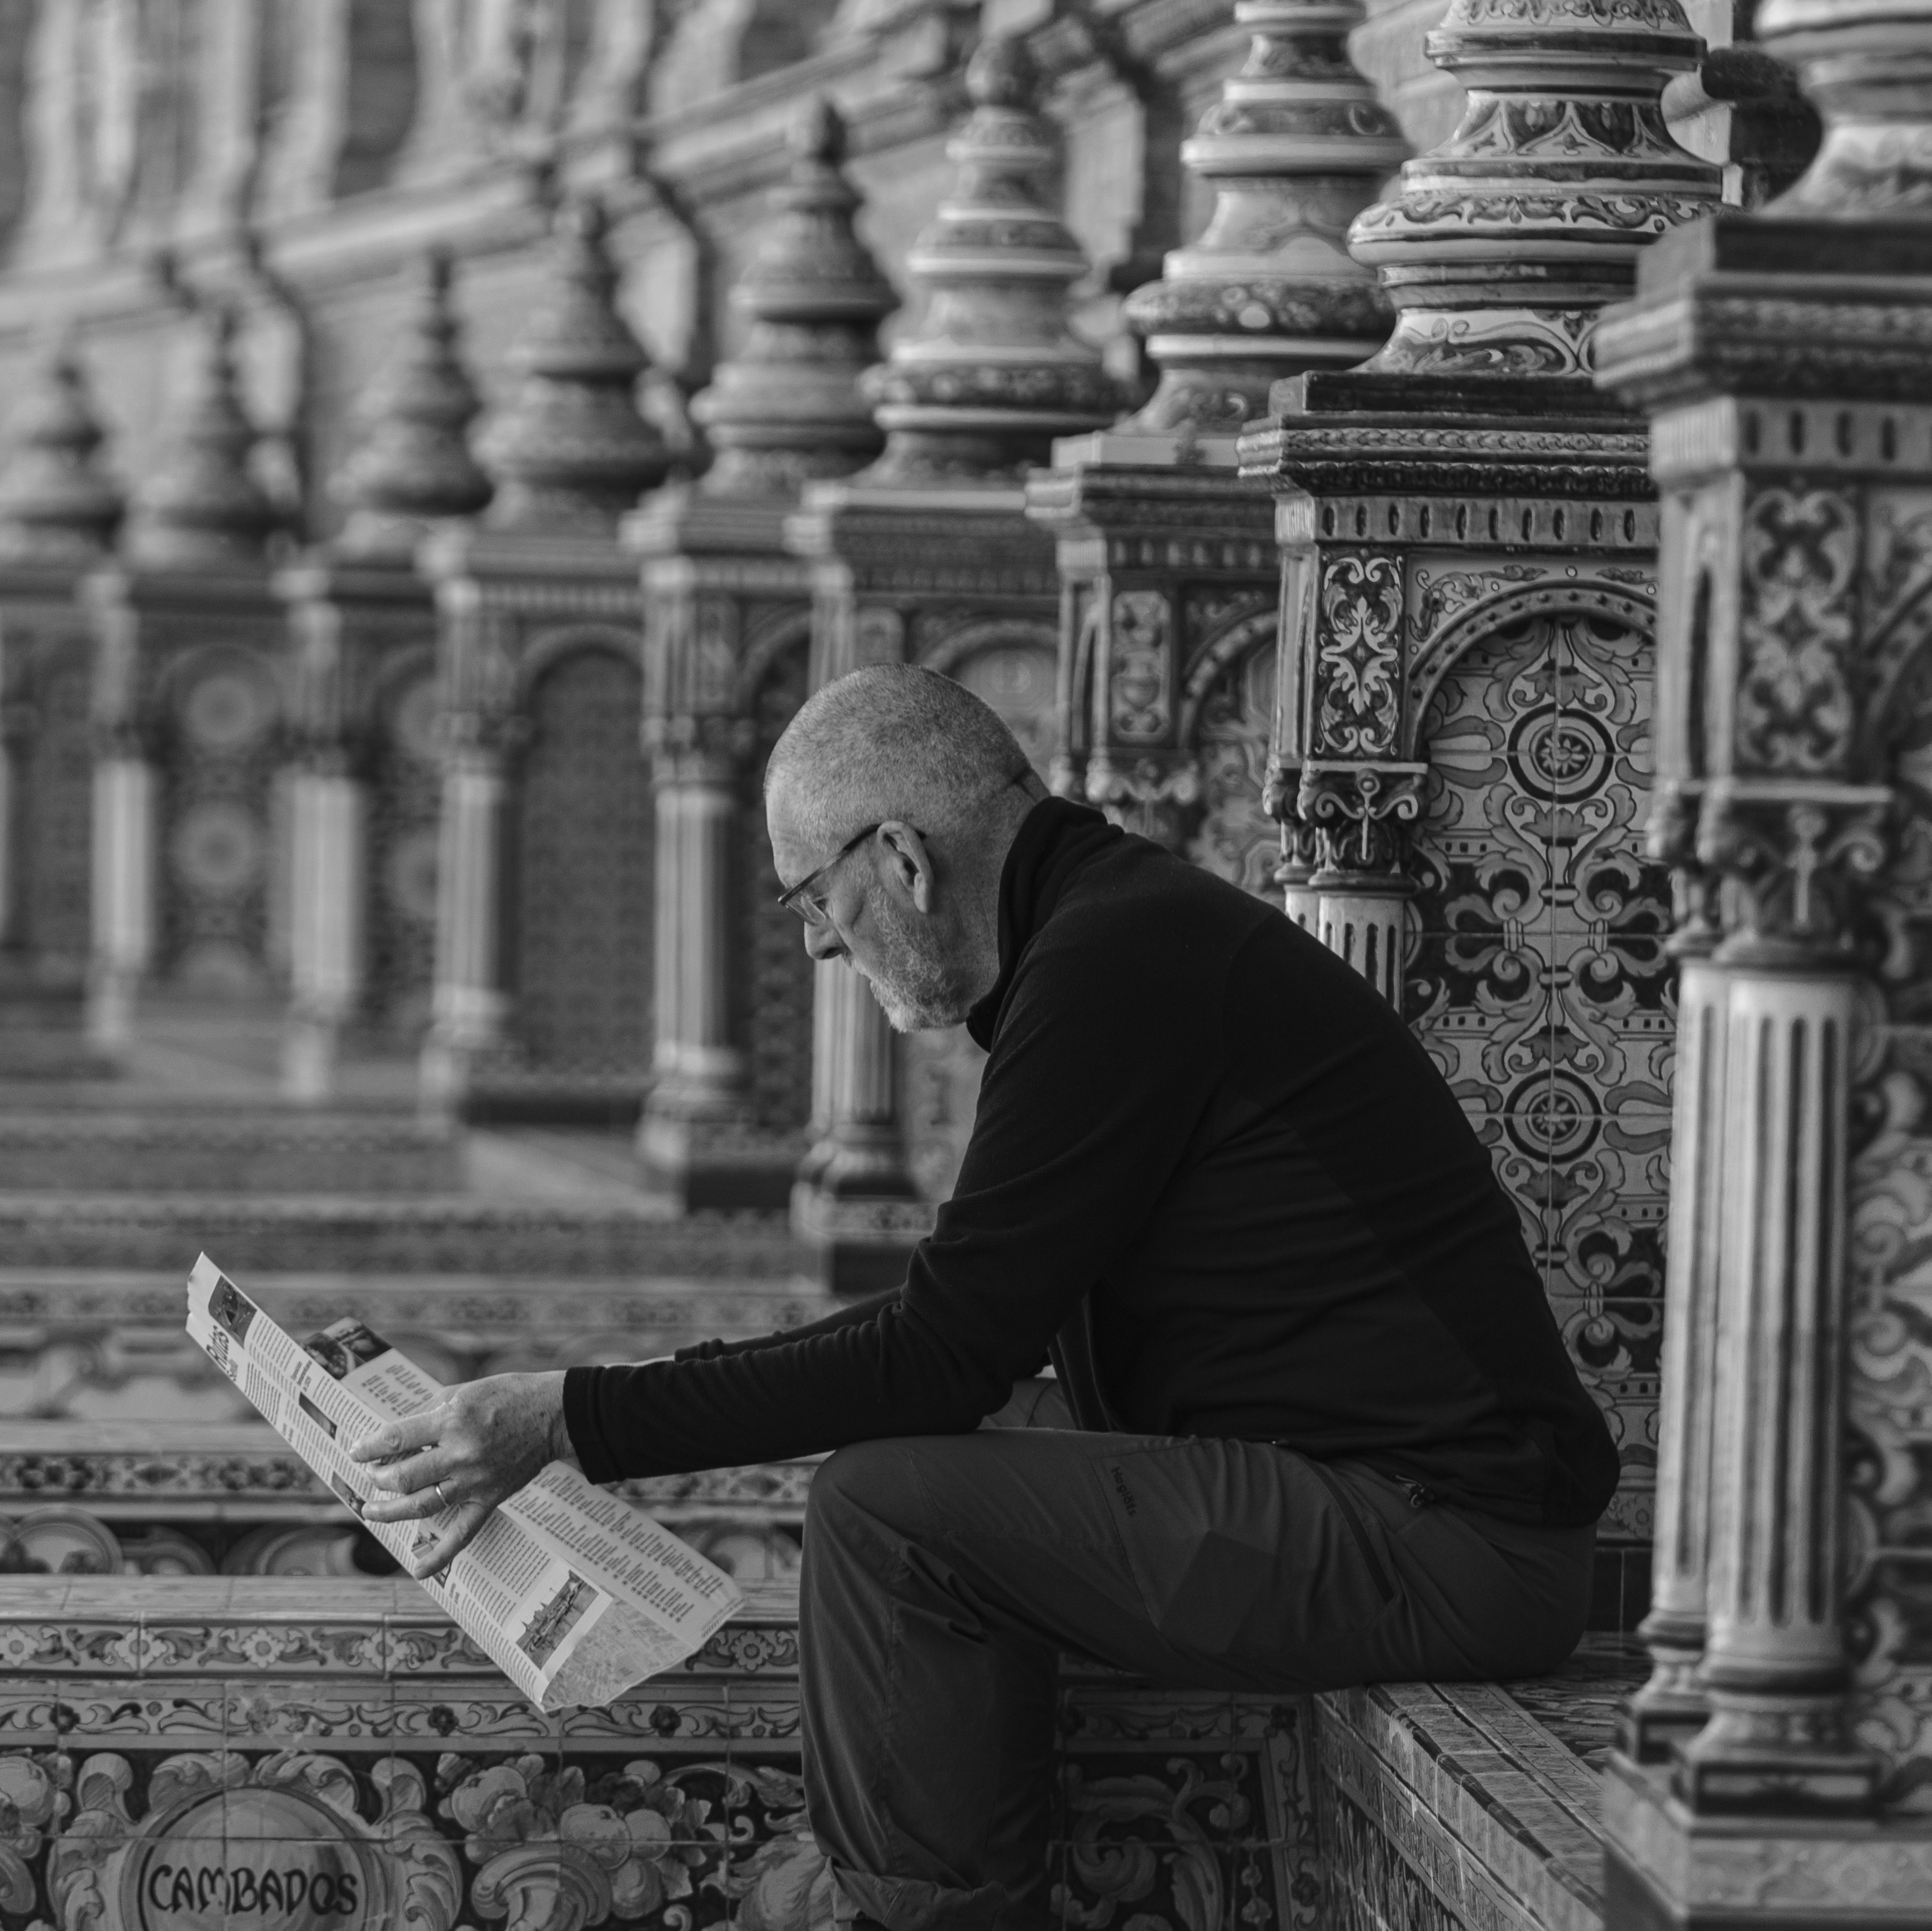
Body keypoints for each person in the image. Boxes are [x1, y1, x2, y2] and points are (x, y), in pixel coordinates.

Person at [348, 664, 1608, 1931]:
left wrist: (570, 1417)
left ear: (899, 855)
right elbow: (959, 1335)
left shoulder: (1114, 960)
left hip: (1446, 1537)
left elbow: (939, 1349)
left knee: (887, 1513)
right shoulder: (1113, 931)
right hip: (1396, 1509)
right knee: (928, 1458)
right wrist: (590, 1412)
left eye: (810, 898)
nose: (814, 943)